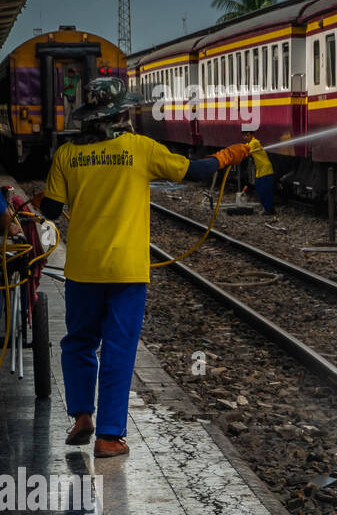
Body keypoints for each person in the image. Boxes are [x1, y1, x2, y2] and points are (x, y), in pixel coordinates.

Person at [39, 77, 253, 458]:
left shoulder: (67, 155)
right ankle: (109, 437)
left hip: (83, 269)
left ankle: (81, 417)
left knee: (79, 343)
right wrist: (228, 156)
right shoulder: (140, 149)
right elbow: (193, 171)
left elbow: (51, 211)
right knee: (119, 349)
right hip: (127, 272)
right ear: (121, 114)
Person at [245, 132, 275, 214]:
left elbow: (246, 151)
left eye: (247, 135)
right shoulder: (249, 143)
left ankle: (269, 209)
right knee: (259, 189)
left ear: (251, 135)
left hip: (266, 169)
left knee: (265, 190)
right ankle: (266, 208)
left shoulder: (254, 142)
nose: (245, 137)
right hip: (260, 170)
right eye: (244, 135)